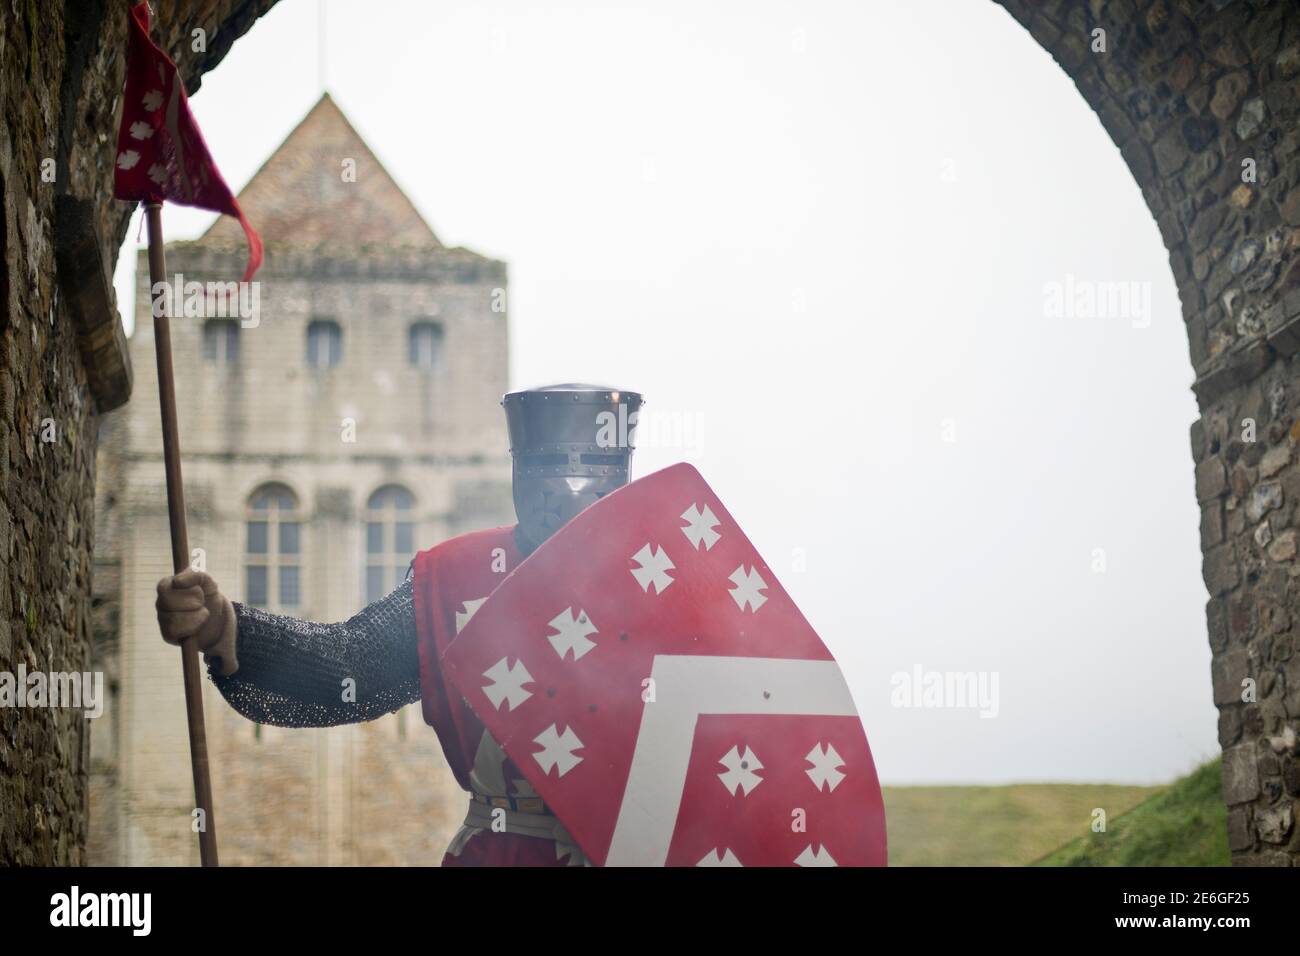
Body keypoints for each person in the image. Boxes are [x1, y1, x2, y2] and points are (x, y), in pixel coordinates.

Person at [155, 383, 643, 866]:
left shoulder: (662, 578)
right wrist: (226, 628)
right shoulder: (459, 578)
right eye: (550, 473)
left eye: (589, 477)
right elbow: (350, 665)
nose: (568, 494)